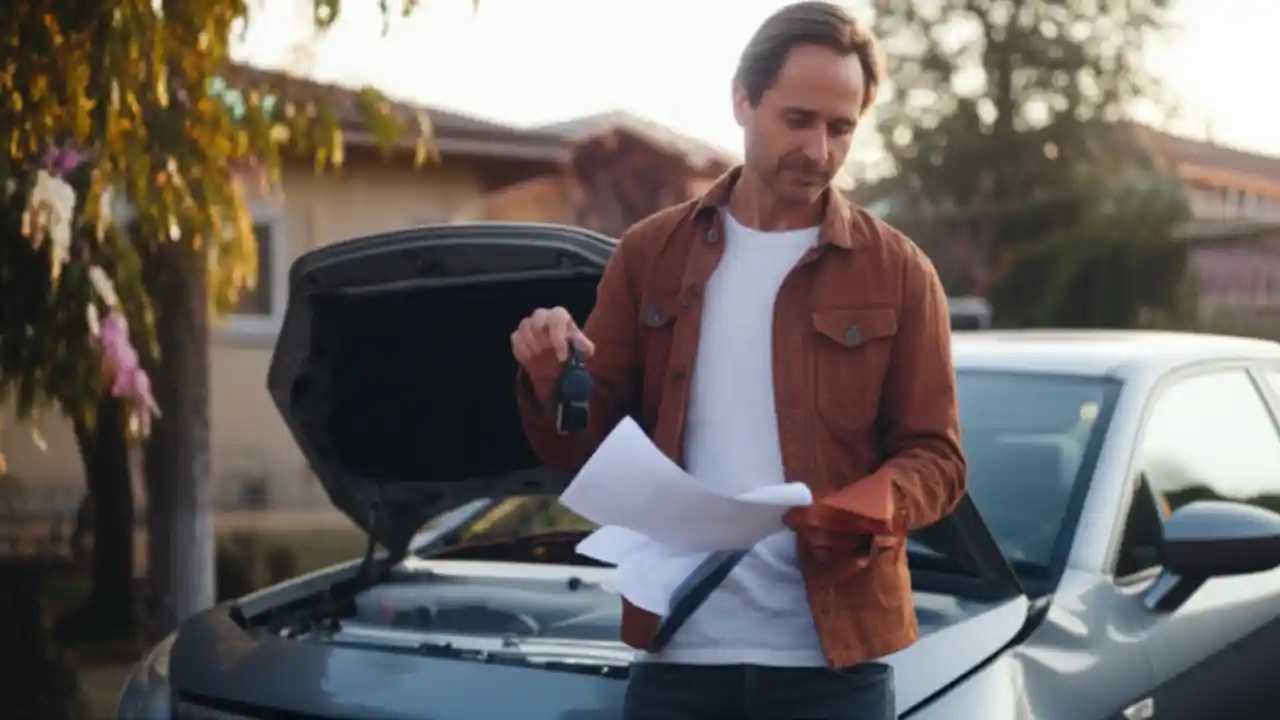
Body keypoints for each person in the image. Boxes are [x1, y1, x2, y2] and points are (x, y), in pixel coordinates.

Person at [510, 2, 967, 717]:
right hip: (679, 656)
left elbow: (938, 458)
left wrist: (876, 501)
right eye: (798, 120)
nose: (819, 150)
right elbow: (586, 439)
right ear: (742, 100)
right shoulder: (650, 255)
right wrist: (547, 378)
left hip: (833, 666)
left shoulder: (900, 272)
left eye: (840, 127)